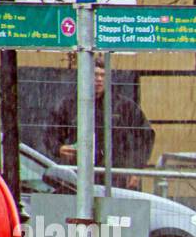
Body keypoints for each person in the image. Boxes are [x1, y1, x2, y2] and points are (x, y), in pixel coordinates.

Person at [44, 54, 156, 190]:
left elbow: (146, 135)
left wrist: (135, 168)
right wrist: (58, 148)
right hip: (78, 175)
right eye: (94, 74)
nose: (99, 79)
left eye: (103, 75)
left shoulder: (123, 106)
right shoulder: (69, 105)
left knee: (113, 210)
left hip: (116, 176)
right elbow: (51, 133)